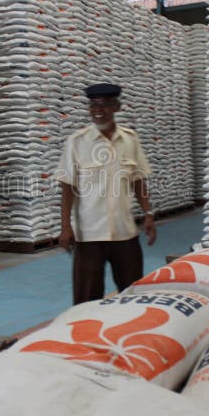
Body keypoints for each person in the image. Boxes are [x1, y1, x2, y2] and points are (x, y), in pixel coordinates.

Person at [57, 83, 157, 304]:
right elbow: (67, 187)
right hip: (90, 234)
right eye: (93, 105)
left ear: (117, 107)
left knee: (132, 293)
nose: (98, 110)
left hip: (125, 232)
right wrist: (65, 227)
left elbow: (138, 180)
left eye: (104, 104)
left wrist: (148, 214)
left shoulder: (130, 140)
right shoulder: (77, 142)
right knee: (87, 297)